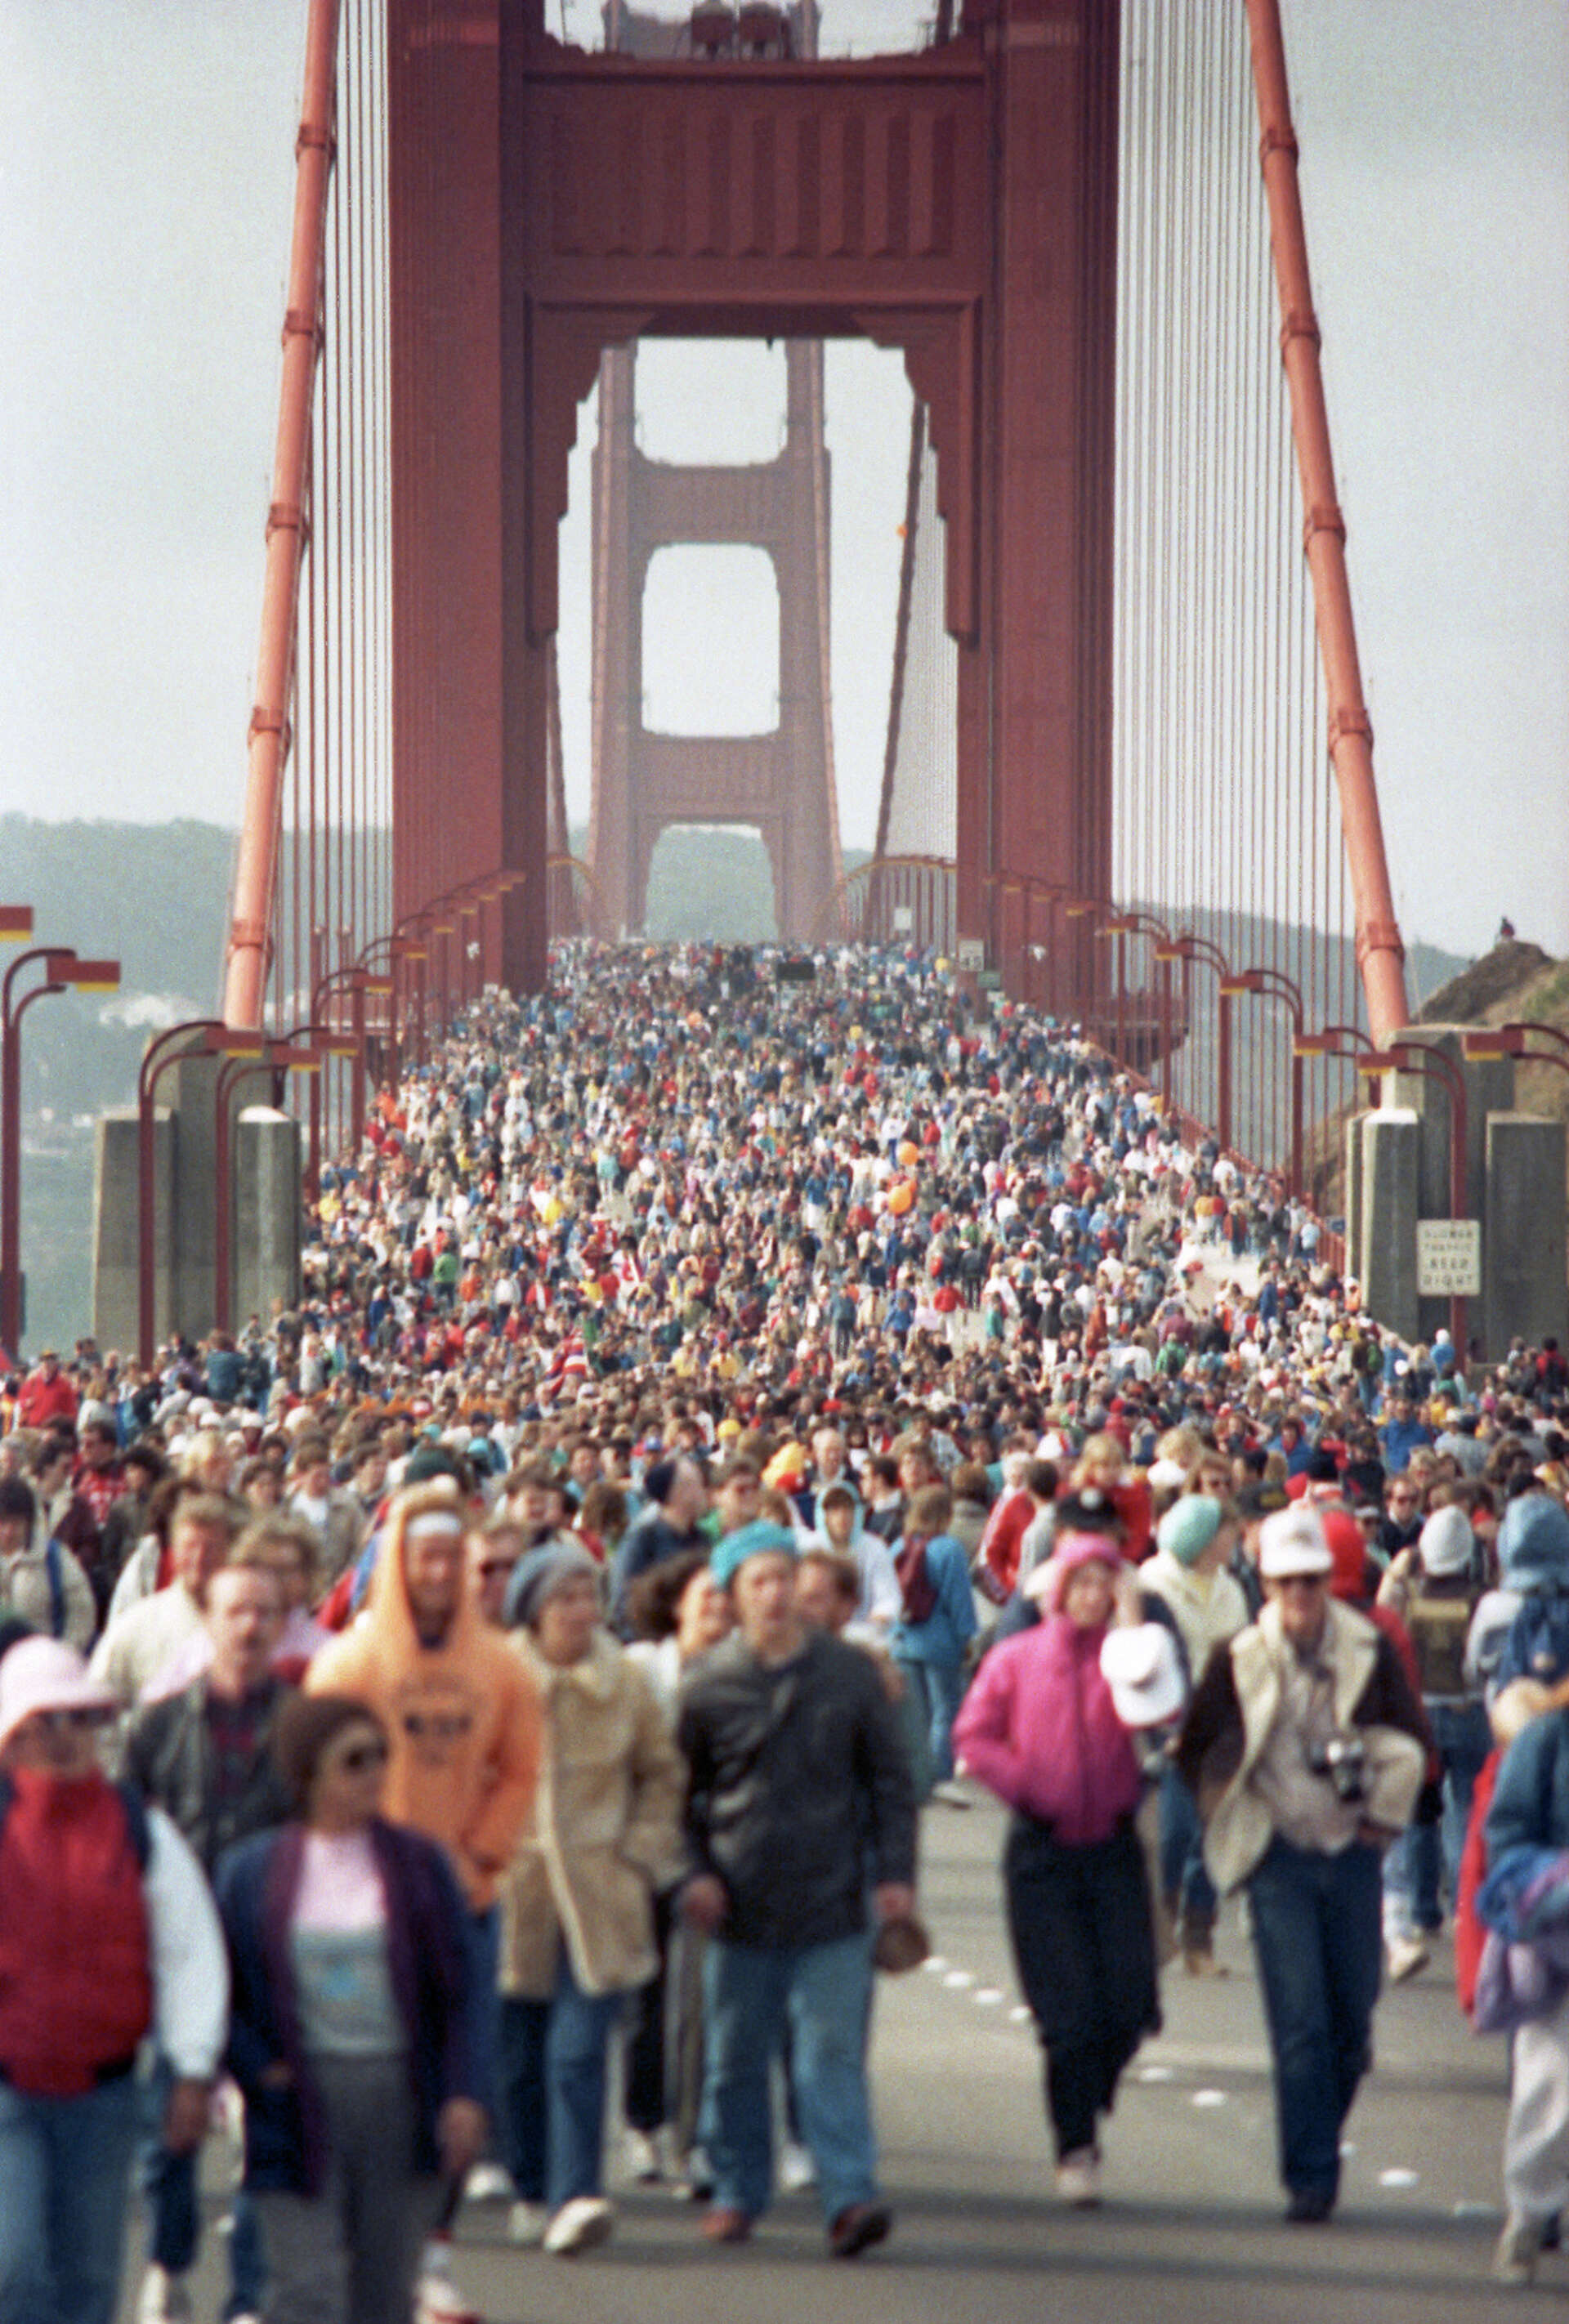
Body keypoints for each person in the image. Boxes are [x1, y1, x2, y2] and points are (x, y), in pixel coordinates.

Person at [1174, 1503, 1428, 2222]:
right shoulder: (1240, 1657)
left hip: (1352, 1852)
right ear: (1269, 1585)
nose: (1298, 1598)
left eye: (1310, 1583)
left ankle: (1318, 2131)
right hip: (1279, 1853)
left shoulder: (1365, 1649)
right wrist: (1230, 1811)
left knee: (1351, 2026)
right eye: (1285, 1584)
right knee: (1301, 2024)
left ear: (1327, 1583)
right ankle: (1310, 2177)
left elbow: (1411, 1737)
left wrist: (1386, 1811)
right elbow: (1196, 1750)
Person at [677, 1519, 918, 2257]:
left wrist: (895, 1876)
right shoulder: (709, 1685)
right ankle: (738, 2189)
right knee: (736, 2056)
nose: (776, 1594)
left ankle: (849, 2197)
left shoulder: (847, 1675)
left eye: (785, 1578)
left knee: (828, 2055)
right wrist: (694, 1874)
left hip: (834, 1898)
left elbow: (888, 1783)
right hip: (740, 1902)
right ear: (735, 1595)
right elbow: (677, 1799)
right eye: (760, 1582)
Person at [215, 1691, 486, 2324]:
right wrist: (257, 2070)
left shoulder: (418, 1865)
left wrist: (466, 2093)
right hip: (295, 2100)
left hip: (400, 2093)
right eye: (355, 1761)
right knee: (306, 2292)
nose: (375, 1774)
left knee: (383, 2295)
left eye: (381, 1757)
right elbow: (221, 1993)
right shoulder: (251, 1872)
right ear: (308, 1774)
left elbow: (463, 1990)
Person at [0, 1637, 227, 2324]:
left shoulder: (140, 1829)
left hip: (106, 2098)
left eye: (78, 1719)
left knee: (89, 2284)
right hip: (8, 2093)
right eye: (44, 1722)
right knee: (14, 2271)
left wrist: (191, 2070)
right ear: (12, 1735)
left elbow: (190, 1953)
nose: (63, 1738)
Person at [953, 1532, 1177, 2203]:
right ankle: (1075, 2144)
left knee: (1132, 2001)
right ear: (1058, 1590)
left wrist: (1134, 1630)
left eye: (1103, 1585)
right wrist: (1026, 1784)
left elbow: (1167, 1711)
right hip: (1042, 1852)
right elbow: (974, 1736)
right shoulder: (1017, 1658)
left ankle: (1093, 2086)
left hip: (1112, 1846)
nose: (1091, 1597)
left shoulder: (1130, 1655)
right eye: (1079, 1584)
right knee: (1068, 2014)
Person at [495, 1543, 683, 2253]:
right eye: (562, 1598)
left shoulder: (624, 1680)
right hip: (517, 1889)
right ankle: (529, 2182)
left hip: (602, 1887)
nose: (578, 1609)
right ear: (533, 1610)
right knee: (517, 2053)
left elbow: (662, 1775)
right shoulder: (497, 1677)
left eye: (587, 1595)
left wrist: (638, 1854)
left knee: (579, 2049)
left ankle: (577, 2194)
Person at [126, 1553, 296, 2324]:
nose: (252, 1625)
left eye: (266, 1611)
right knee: (171, 2129)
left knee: (270, 2130)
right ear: (210, 1622)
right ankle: (169, 2257)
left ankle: (251, 2294)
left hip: (271, 1955)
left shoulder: (303, 1726)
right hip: (178, 1955)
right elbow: (126, 1840)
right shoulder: (162, 1726)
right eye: (237, 1611)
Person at [1138, 1493, 1249, 1973]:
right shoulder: (1154, 1584)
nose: (1235, 1539)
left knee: (1211, 1833)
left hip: (1219, 1723)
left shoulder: (1231, 1588)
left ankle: (1199, 1937)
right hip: (1169, 1721)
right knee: (1174, 1831)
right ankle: (1157, 1924)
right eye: (1228, 1531)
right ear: (1203, 1536)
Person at [91, 1492, 244, 1707]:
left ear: (231, 1551)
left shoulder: (250, 1626)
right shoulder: (136, 1625)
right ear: (173, 1551)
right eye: (190, 1546)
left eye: (211, 1547)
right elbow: (98, 1708)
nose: (199, 1558)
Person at [887, 1480, 977, 1802]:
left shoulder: (899, 1546)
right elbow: (958, 1600)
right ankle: (941, 1775)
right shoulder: (948, 1548)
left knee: (918, 1713)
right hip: (939, 1641)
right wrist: (968, 1636)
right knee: (945, 1709)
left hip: (902, 1638)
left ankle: (916, 1775)